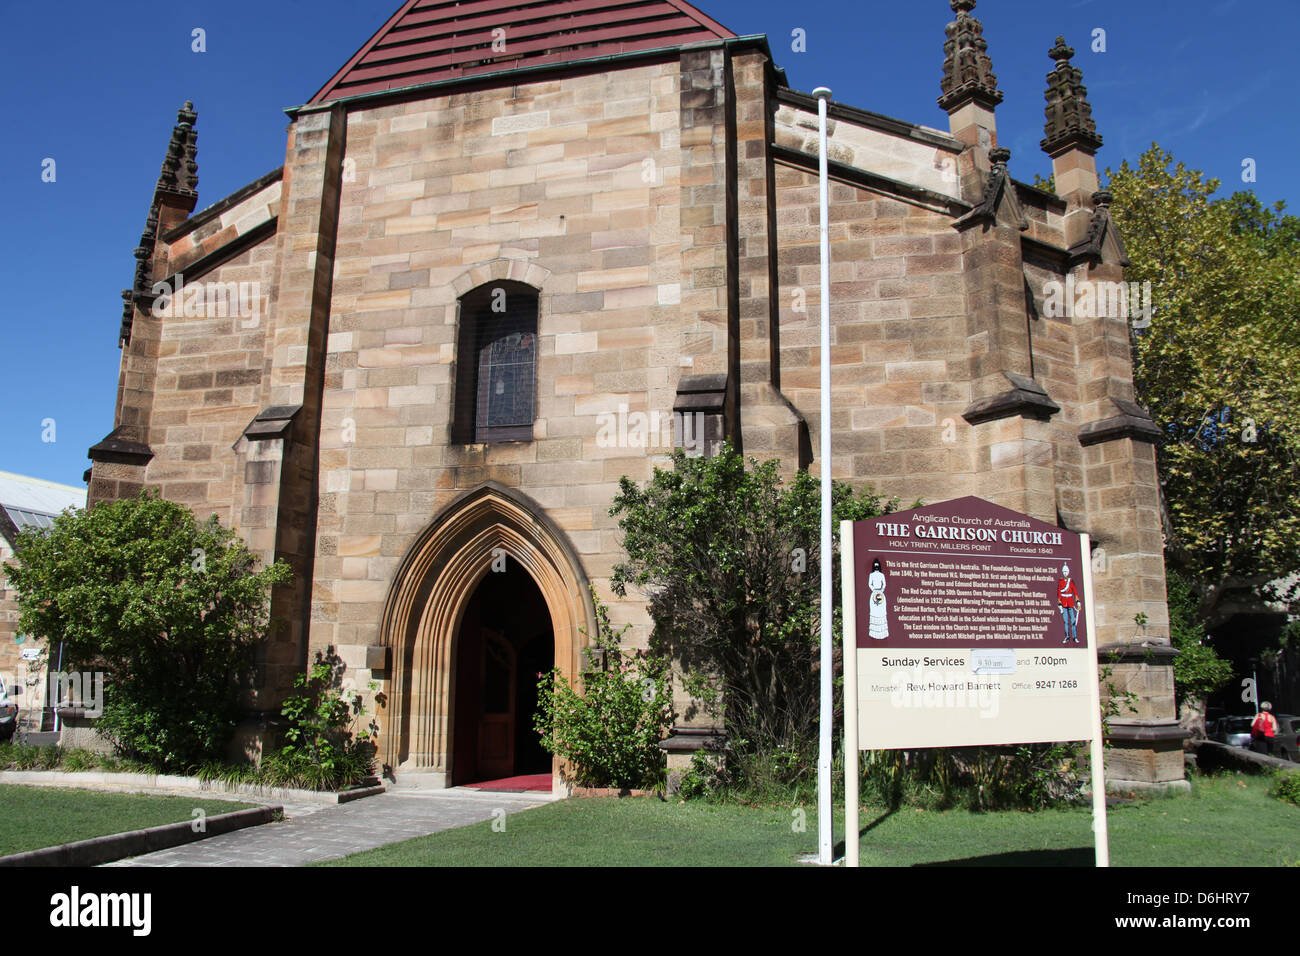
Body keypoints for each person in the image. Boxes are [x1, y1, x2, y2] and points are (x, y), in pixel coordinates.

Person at [1057, 563, 1081, 644]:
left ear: (1068, 572)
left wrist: (1078, 602)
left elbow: (1075, 592)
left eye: (1066, 571)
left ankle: (1075, 637)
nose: (1065, 573)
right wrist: (1059, 604)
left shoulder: (1071, 581)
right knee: (1066, 621)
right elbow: (1059, 593)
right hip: (1064, 603)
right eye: (1064, 572)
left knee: (1073, 621)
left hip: (1070, 603)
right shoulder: (1060, 581)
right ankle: (1067, 637)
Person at [867, 558, 889, 640]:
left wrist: (880, 591)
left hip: (880, 594)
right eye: (875, 566)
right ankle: (874, 632)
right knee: (874, 612)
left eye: (877, 566)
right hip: (874, 594)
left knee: (881, 612)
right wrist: (875, 590)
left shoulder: (881, 575)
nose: (876, 567)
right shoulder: (871, 575)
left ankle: (882, 632)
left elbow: (884, 584)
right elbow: (870, 584)